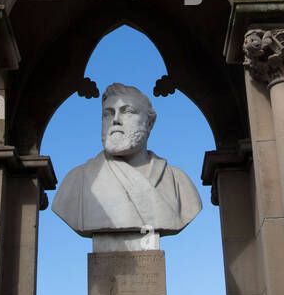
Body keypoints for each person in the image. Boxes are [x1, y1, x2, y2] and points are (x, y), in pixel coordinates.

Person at [51, 83, 202, 238]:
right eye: (108, 114)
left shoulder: (178, 181)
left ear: (150, 123)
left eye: (127, 111)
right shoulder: (78, 180)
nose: (115, 120)